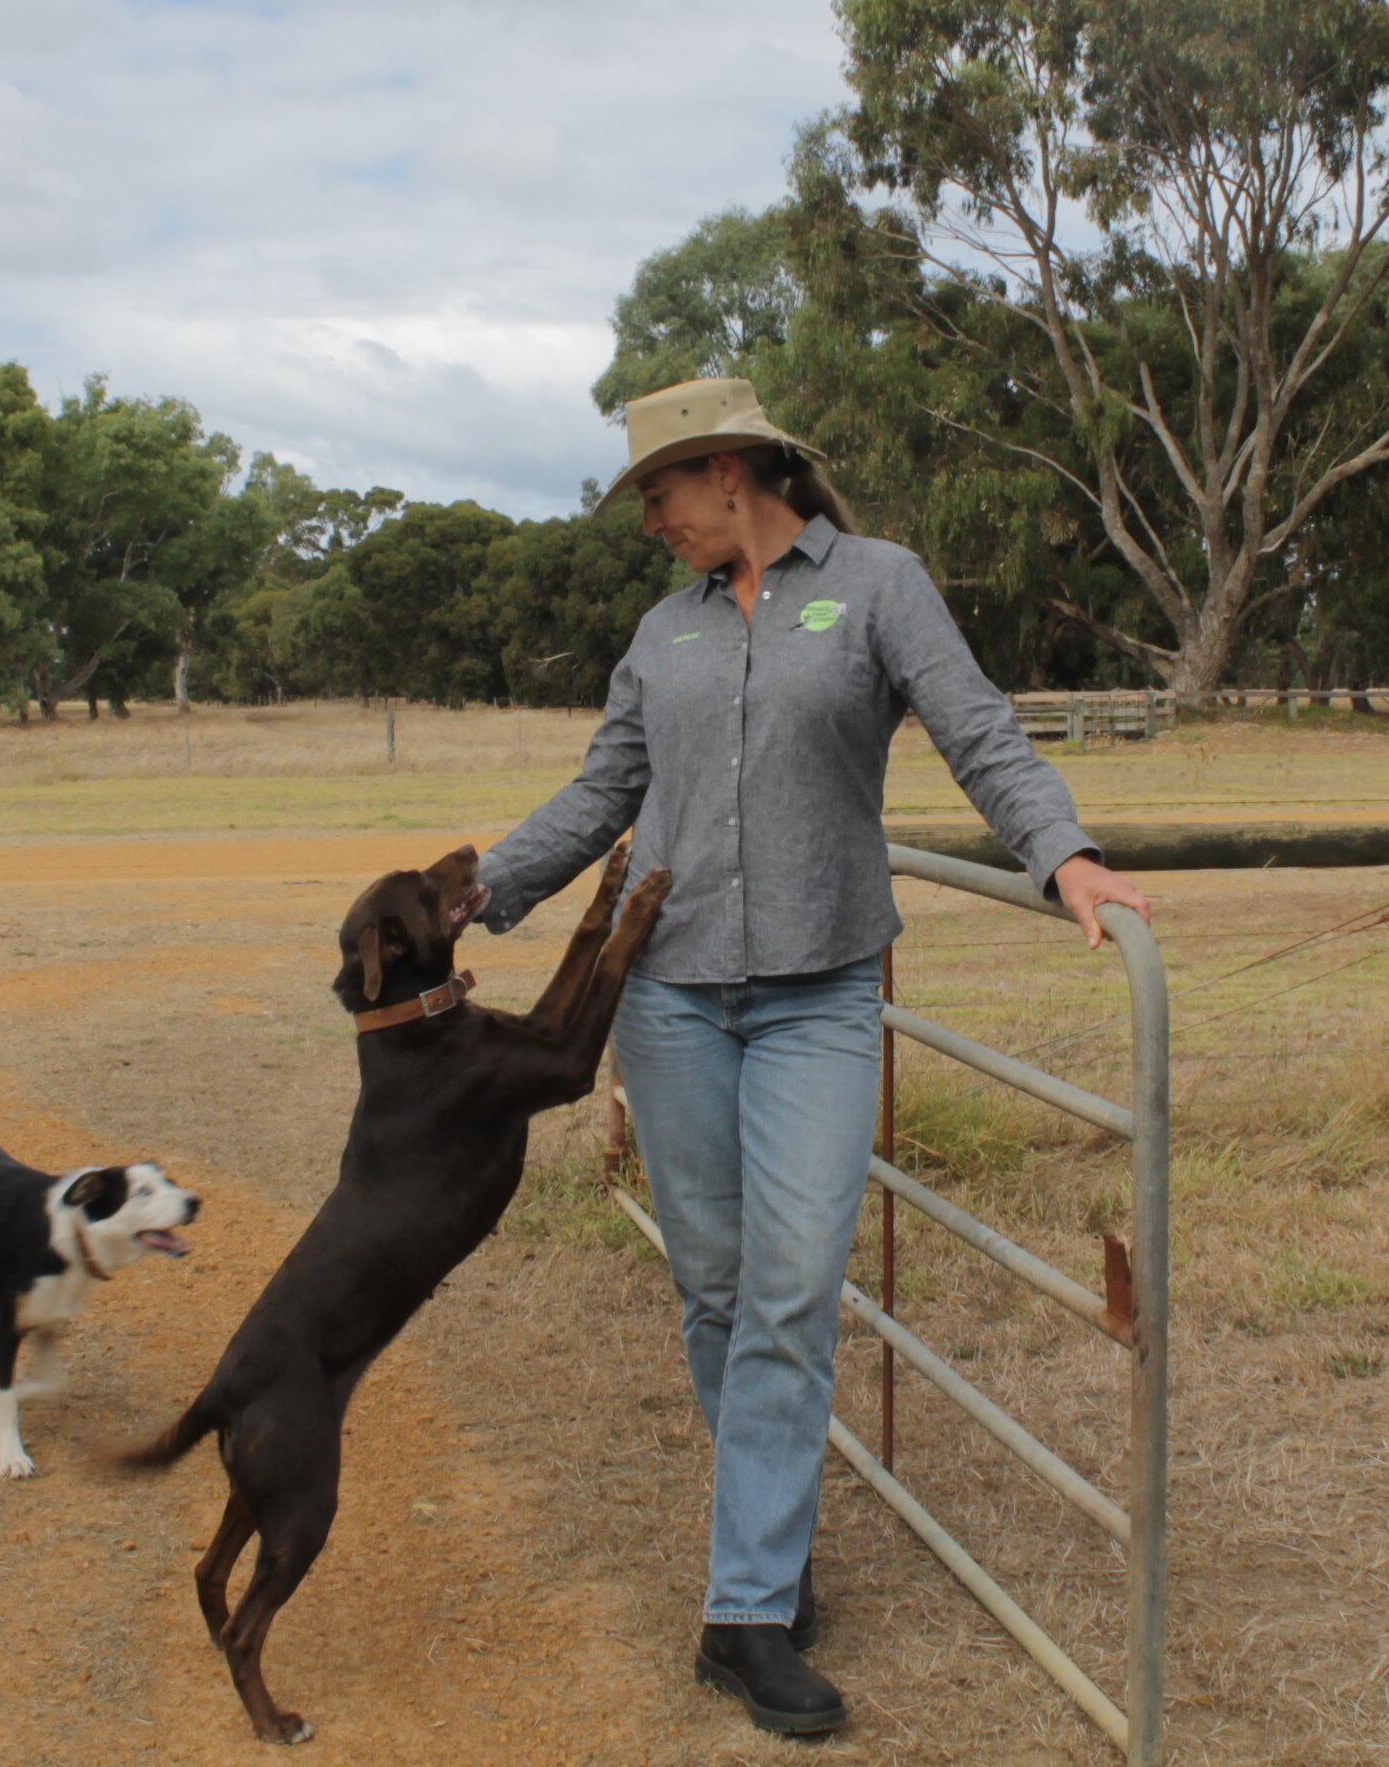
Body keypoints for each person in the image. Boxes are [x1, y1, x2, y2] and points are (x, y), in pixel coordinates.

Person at [466, 378, 1151, 1735]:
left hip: (819, 1001)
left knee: (789, 1288)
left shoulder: (880, 586)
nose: (650, 522)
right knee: (717, 1292)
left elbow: (977, 729)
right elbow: (605, 790)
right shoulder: (663, 635)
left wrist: (1061, 854)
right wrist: (474, 893)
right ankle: (771, 1541)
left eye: (658, 494)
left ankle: (743, 1616)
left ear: (728, 470)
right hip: (665, 1001)